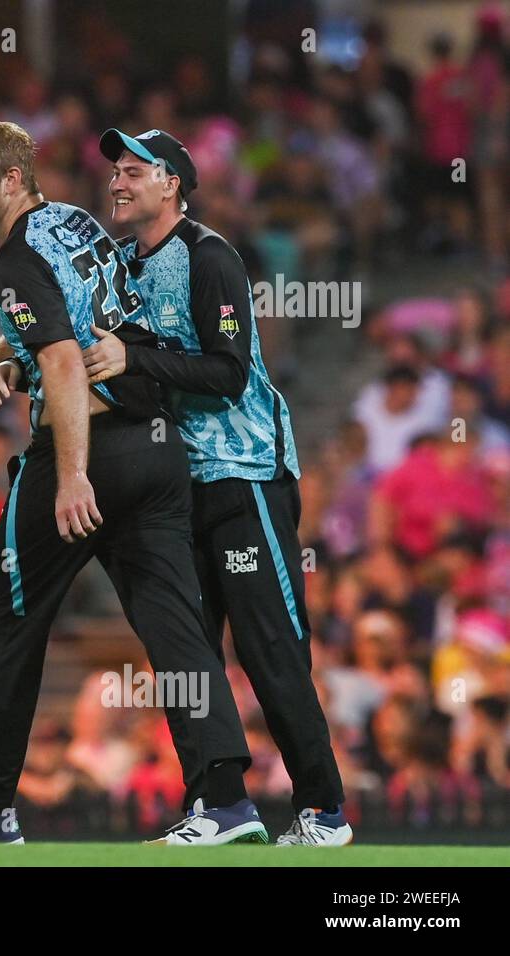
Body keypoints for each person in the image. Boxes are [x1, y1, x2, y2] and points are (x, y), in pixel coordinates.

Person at [0, 121, 260, 846]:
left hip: (84, 454)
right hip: (156, 451)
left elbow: (65, 361)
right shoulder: (73, 219)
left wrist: (71, 475)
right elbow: (71, 323)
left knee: (10, 621)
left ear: (11, 180)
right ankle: (227, 803)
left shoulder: (11, 259)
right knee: (177, 628)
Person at [78, 127, 351, 846]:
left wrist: (137, 361)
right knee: (186, 655)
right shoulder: (123, 267)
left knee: (269, 647)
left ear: (172, 183)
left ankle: (322, 811)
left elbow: (228, 373)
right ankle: (221, 803)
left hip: (244, 475)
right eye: (115, 171)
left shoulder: (210, 257)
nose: (118, 181)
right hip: (175, 490)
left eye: (134, 171)